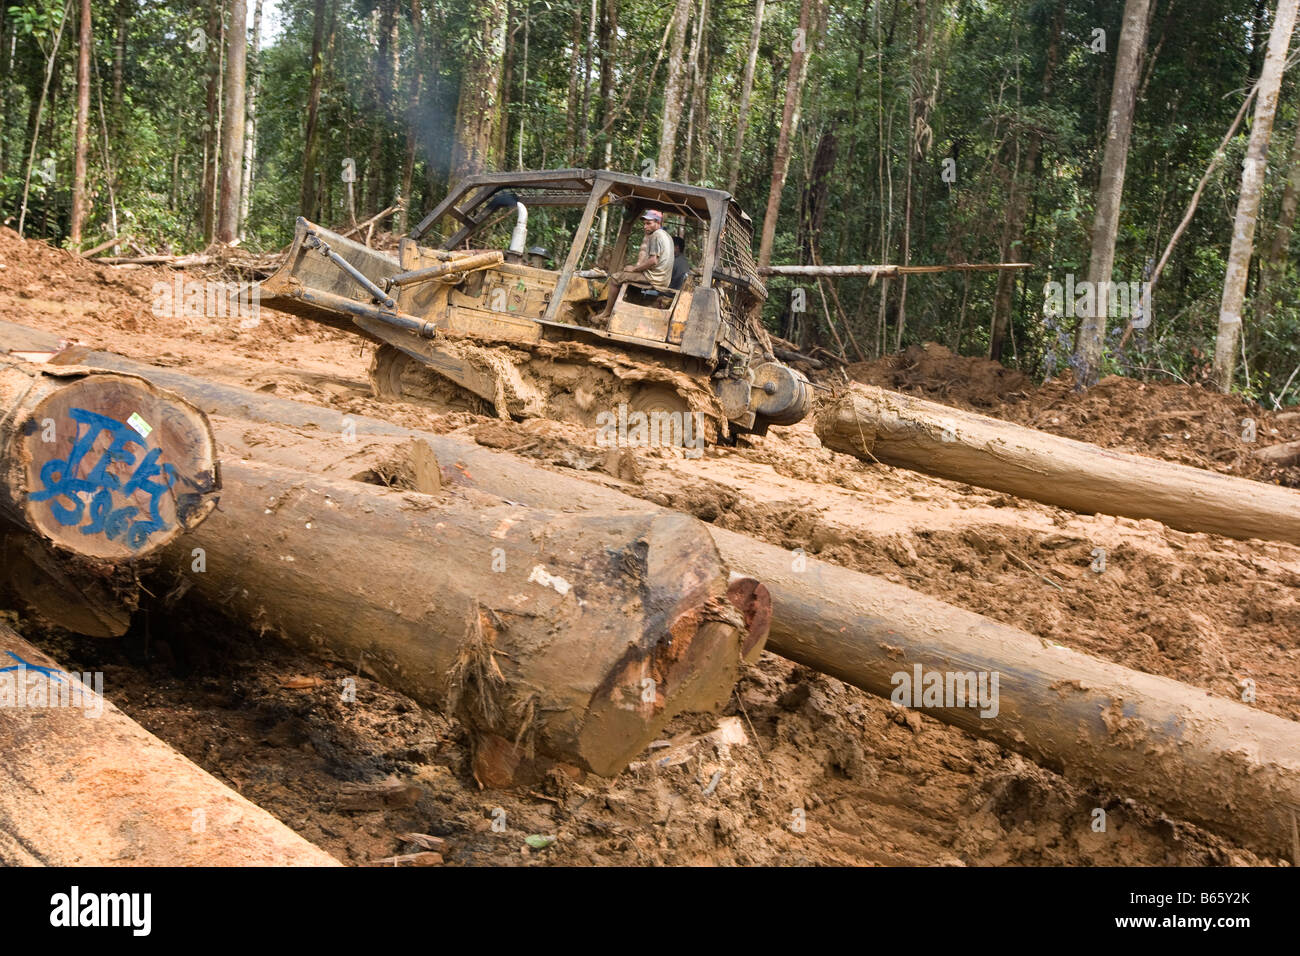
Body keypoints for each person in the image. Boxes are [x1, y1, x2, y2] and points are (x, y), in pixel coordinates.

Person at [598, 209, 673, 319]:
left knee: (615, 278)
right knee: (627, 276)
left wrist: (634, 269)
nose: (645, 226)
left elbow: (653, 261)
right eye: (644, 224)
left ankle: (607, 312)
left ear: (658, 222)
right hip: (663, 278)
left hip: (654, 278)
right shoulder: (667, 236)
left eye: (649, 223)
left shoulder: (656, 236)